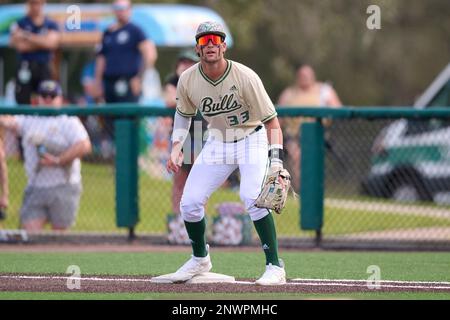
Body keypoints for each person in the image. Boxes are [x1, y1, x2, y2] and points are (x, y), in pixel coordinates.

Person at [166, 21, 286, 285]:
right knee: (190, 202)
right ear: (198, 47)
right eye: (204, 40)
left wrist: (276, 160)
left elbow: (272, 122)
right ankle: (200, 259)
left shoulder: (245, 76)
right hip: (218, 140)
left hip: (250, 138)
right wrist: (176, 146)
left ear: (223, 45)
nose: (210, 44)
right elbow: (183, 116)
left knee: (252, 197)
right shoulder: (188, 79)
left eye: (215, 39)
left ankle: (275, 265)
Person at [0, 80, 92, 232]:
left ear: (60, 99)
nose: (48, 99)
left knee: (59, 238)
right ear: (38, 99)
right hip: (36, 186)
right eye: (44, 96)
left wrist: (59, 160)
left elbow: (84, 145)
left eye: (52, 96)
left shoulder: (68, 121)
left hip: (64, 186)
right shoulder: (30, 119)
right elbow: (10, 122)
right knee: (30, 235)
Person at [94, 0, 157, 138]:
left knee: (128, 119)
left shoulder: (135, 31)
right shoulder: (108, 33)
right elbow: (101, 59)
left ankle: (131, 156)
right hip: (109, 83)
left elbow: (150, 54)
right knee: (110, 120)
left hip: (128, 83)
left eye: (123, 8)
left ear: (129, 10)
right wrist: (97, 82)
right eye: (117, 7)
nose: (120, 11)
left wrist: (139, 78)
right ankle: (112, 154)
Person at [277, 64, 342, 192]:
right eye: (302, 76)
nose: (304, 78)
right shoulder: (289, 94)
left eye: (307, 76)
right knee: (297, 156)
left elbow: (337, 109)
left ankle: (312, 189)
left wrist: (326, 116)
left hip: (317, 135)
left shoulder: (324, 91)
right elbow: (278, 119)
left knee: (311, 160)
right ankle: (302, 190)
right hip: (293, 136)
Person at [163, 49, 203, 215]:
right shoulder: (173, 80)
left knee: (199, 179)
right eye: (183, 62)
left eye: (190, 63)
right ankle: (177, 219)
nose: (186, 66)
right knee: (179, 178)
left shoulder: (202, 80)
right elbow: (170, 101)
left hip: (199, 131)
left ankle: (199, 217)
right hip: (180, 132)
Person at [9, 0, 60, 105]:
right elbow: (20, 46)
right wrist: (42, 42)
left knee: (47, 97)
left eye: (38, 3)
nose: (35, 6)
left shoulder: (51, 23)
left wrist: (27, 36)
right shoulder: (20, 23)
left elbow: (51, 44)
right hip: (25, 66)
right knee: (22, 98)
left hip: (44, 66)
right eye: (32, 3)